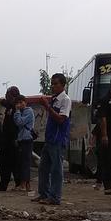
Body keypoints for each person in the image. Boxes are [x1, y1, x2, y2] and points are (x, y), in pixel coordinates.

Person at [34, 73, 71, 205]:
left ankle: (55, 197)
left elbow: (61, 119)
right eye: (52, 84)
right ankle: (44, 193)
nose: (53, 86)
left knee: (56, 169)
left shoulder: (65, 100)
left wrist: (47, 107)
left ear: (63, 85)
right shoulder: (54, 99)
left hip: (57, 139)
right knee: (43, 167)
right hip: (50, 139)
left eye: (56, 84)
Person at [0, 86, 22, 190]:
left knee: (15, 163)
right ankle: (3, 185)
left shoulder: (18, 108)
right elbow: (3, 102)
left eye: (8, 94)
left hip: (14, 140)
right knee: (5, 163)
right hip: (6, 141)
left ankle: (18, 184)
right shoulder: (9, 106)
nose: (6, 96)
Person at [14, 95, 35, 192]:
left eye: (21, 102)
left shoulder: (28, 111)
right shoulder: (18, 112)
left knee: (25, 162)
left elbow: (20, 122)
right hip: (21, 139)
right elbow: (16, 121)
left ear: (25, 102)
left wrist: (17, 111)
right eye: (18, 103)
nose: (20, 104)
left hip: (27, 139)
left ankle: (24, 184)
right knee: (20, 162)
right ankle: (25, 185)